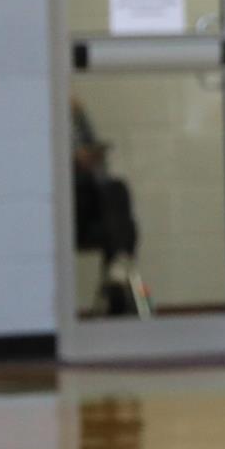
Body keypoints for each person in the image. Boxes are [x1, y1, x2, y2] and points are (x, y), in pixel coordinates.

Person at [71, 98, 142, 317]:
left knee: (117, 192)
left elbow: (94, 151)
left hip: (91, 197)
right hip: (71, 205)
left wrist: (80, 113)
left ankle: (117, 271)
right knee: (121, 220)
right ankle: (119, 268)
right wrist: (73, 161)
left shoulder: (76, 115)